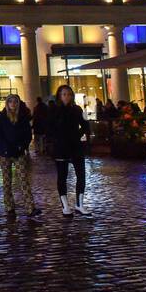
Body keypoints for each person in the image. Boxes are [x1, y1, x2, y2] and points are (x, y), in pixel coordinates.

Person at [0, 95, 40, 221]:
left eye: (15, 101)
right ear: (7, 103)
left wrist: (23, 146)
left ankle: (30, 208)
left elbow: (27, 134)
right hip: (5, 154)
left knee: (23, 179)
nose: (13, 104)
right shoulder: (0, 117)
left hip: (19, 153)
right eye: (10, 101)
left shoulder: (22, 118)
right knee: (7, 181)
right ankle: (9, 206)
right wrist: (5, 146)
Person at [48, 84, 91, 217]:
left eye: (69, 94)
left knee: (81, 175)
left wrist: (77, 135)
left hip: (75, 146)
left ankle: (79, 204)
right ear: (59, 96)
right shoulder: (53, 110)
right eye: (64, 94)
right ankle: (65, 205)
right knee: (62, 176)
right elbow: (48, 129)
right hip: (60, 147)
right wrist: (56, 139)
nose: (67, 96)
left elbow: (85, 125)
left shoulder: (77, 109)